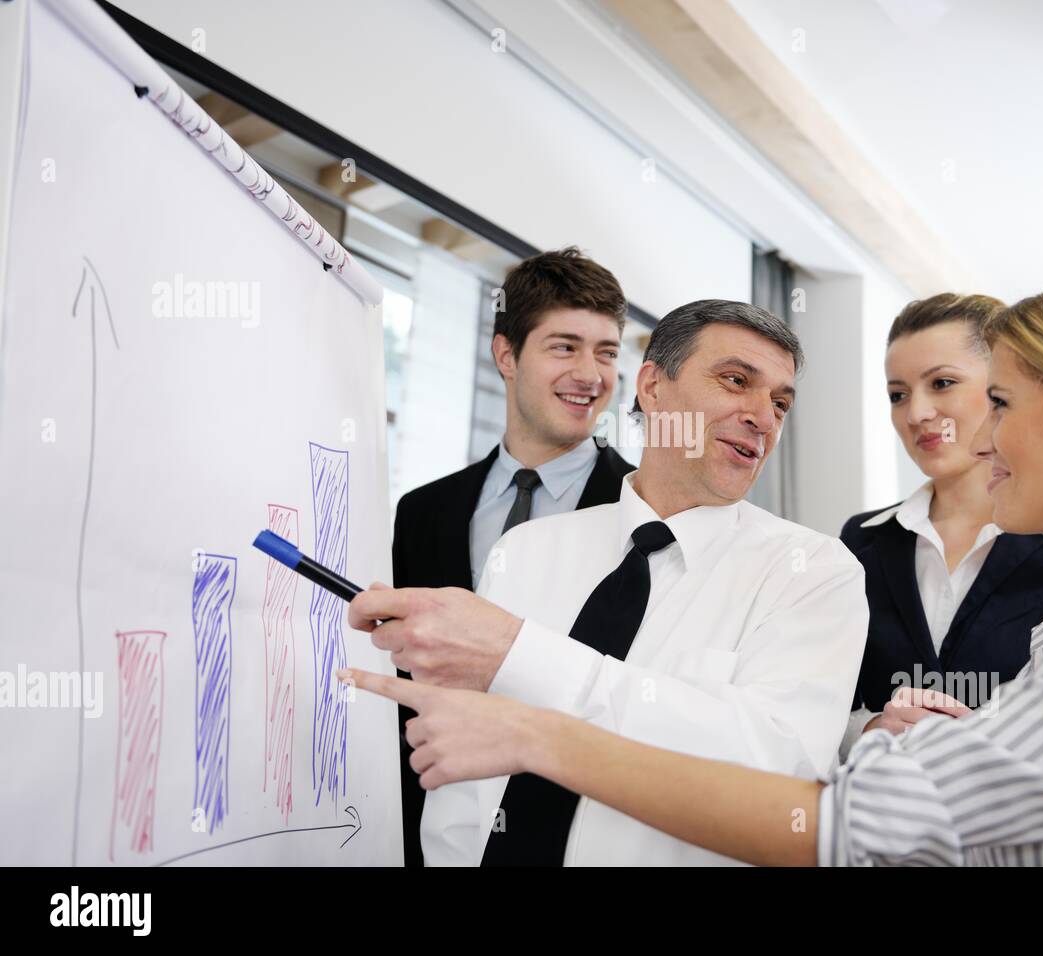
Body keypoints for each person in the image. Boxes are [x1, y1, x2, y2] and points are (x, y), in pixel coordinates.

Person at [347, 259, 1043, 866]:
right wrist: (876, 736)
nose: (974, 432)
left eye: (997, 401)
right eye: (734, 380)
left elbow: (831, 814)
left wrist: (534, 718)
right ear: (655, 388)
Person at [358, 299, 867, 865]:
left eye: (780, 403)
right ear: (652, 387)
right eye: (735, 381)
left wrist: (520, 653)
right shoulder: (524, 550)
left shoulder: (815, 573)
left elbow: (778, 771)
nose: (763, 418)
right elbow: (461, 781)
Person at [389, 246, 634, 864]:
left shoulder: (644, 512)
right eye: (565, 346)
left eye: (606, 352)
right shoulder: (423, 511)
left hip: (578, 827)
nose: (590, 374)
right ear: (506, 355)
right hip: (432, 820)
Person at [840, 294, 1043, 754]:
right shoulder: (860, 542)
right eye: (898, 395)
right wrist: (872, 730)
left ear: (1004, 387)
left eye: (942, 383)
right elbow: (819, 705)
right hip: (884, 795)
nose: (917, 414)